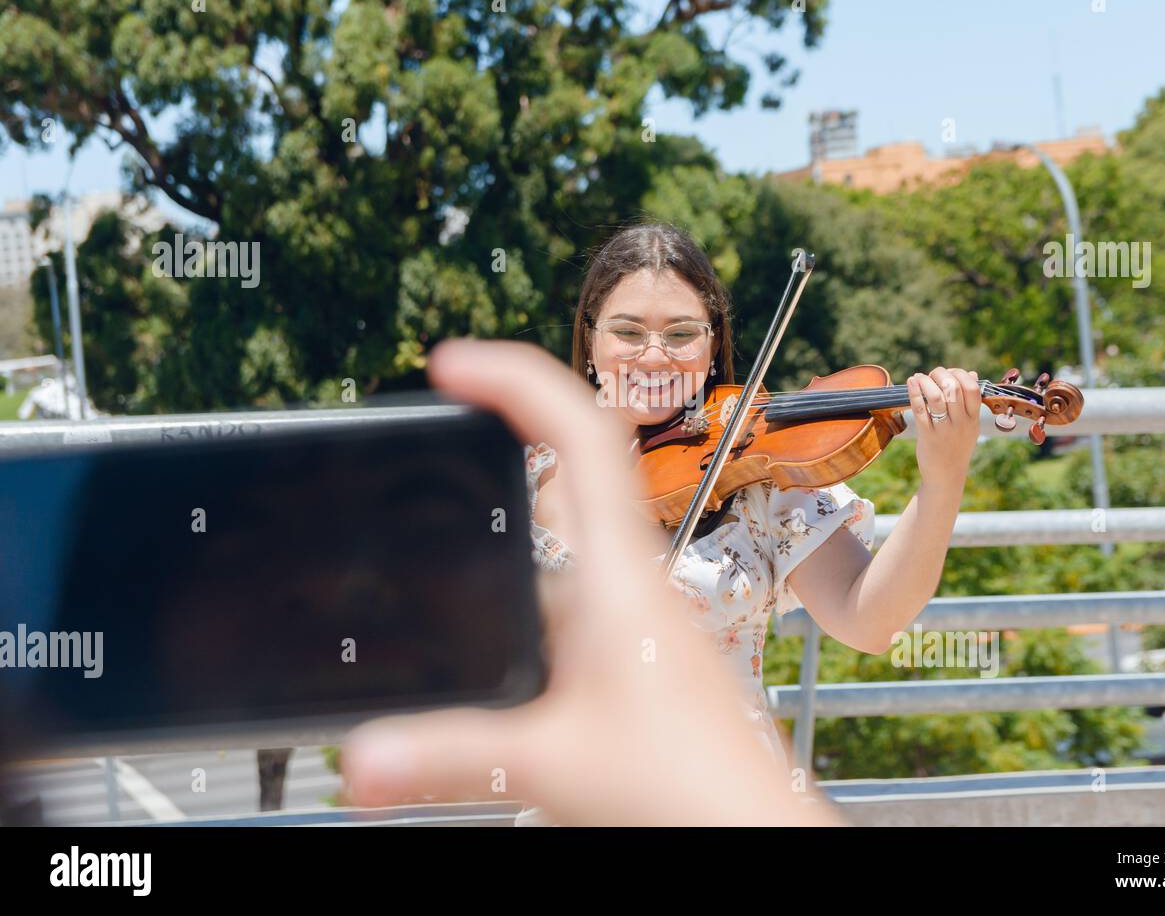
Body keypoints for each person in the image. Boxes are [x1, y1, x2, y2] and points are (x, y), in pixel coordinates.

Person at [341, 338, 845, 826]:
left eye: (681, 333)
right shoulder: (527, 476)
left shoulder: (759, 469)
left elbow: (866, 620)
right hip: (576, 786)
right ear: (592, 340)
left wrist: (929, 490)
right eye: (628, 331)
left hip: (723, 780)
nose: (653, 353)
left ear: (713, 347)